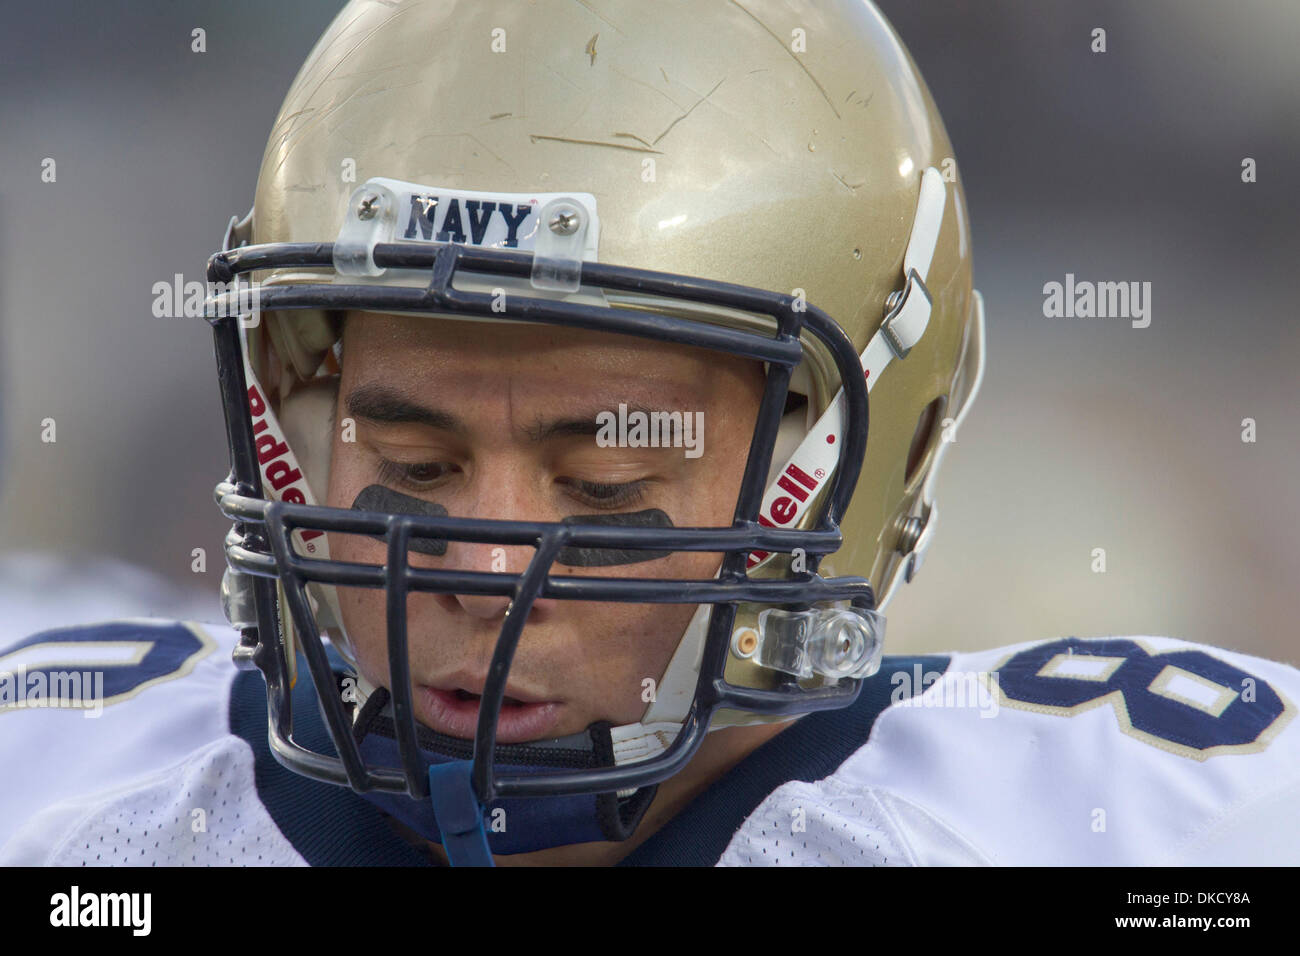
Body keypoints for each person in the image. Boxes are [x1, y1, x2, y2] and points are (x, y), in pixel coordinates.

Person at [3, 0, 1296, 867]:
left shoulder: (1140, 832)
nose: (485, 570)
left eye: (606, 479)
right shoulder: (71, 801)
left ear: (853, 457)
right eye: (410, 464)